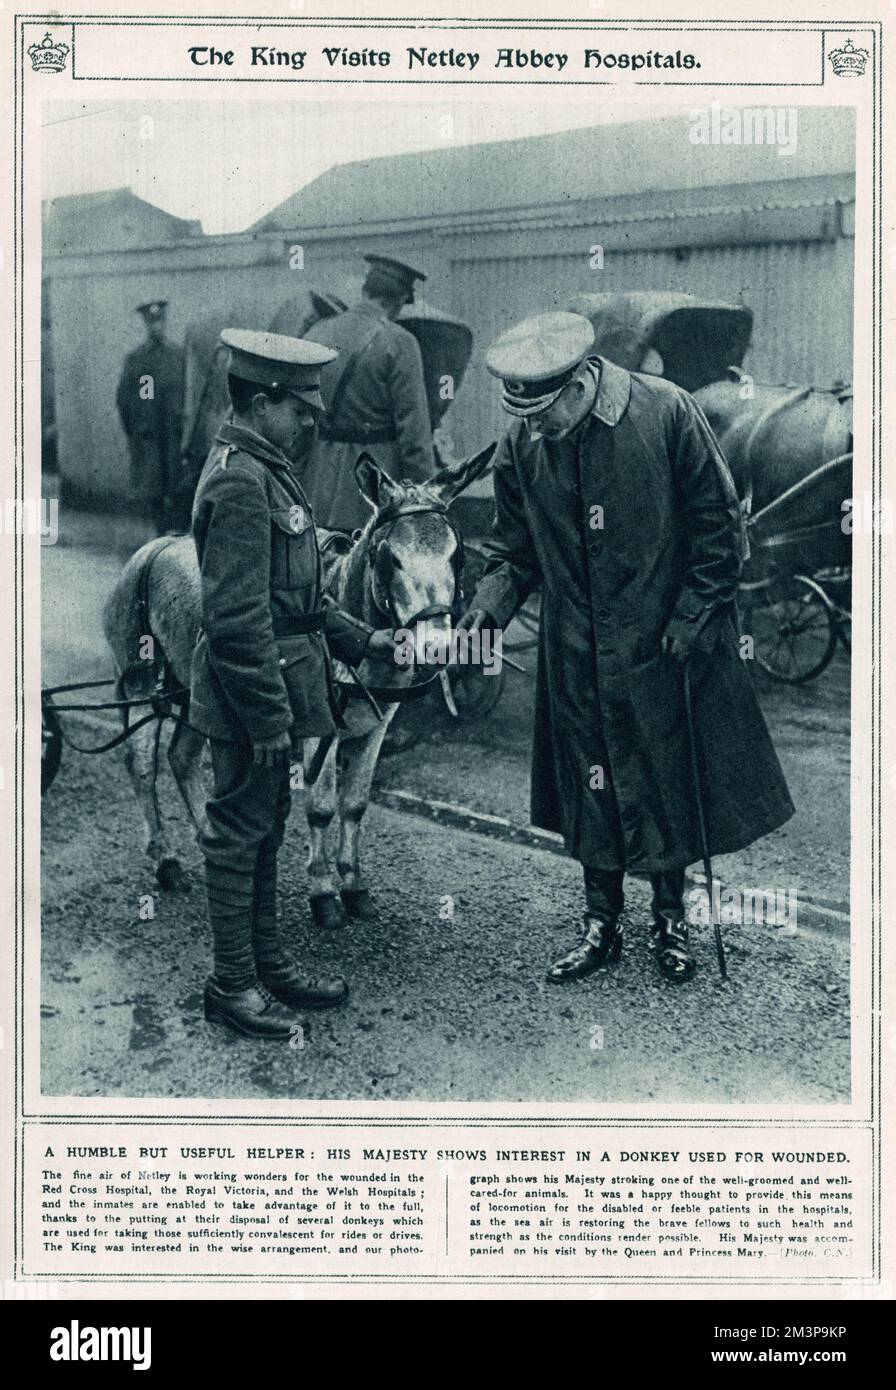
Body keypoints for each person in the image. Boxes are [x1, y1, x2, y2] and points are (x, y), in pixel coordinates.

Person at [459, 311, 795, 984]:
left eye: (547, 415)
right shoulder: (524, 439)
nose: (537, 430)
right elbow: (513, 549)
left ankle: (671, 923)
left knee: (666, 774)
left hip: (660, 641)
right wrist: (485, 612)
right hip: (576, 646)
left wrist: (692, 615)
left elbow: (720, 527)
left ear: (583, 382)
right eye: (526, 418)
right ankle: (599, 923)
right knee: (592, 776)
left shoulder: (666, 412)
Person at [190, 329, 397, 1039]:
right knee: (236, 833)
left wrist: (364, 638)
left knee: (266, 830)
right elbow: (237, 621)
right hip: (251, 700)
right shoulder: (240, 482)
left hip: (274, 695)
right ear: (264, 400)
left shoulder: (270, 469)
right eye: (301, 409)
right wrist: (270, 721)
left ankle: (267, 966)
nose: (312, 422)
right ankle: (231, 985)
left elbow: (299, 601)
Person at [302, 254, 435, 530]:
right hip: (372, 494)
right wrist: (423, 502)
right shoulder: (400, 342)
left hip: (315, 485)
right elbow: (414, 438)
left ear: (365, 291)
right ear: (399, 300)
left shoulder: (316, 332)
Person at [116, 300, 186, 533]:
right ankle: (161, 531)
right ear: (146, 325)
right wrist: (140, 428)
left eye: (159, 322)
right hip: (153, 433)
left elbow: (187, 391)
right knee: (154, 486)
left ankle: (176, 531)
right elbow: (138, 399)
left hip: (175, 432)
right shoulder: (140, 359)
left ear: (164, 323)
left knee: (178, 485)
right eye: (151, 322)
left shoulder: (178, 355)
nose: (156, 327)